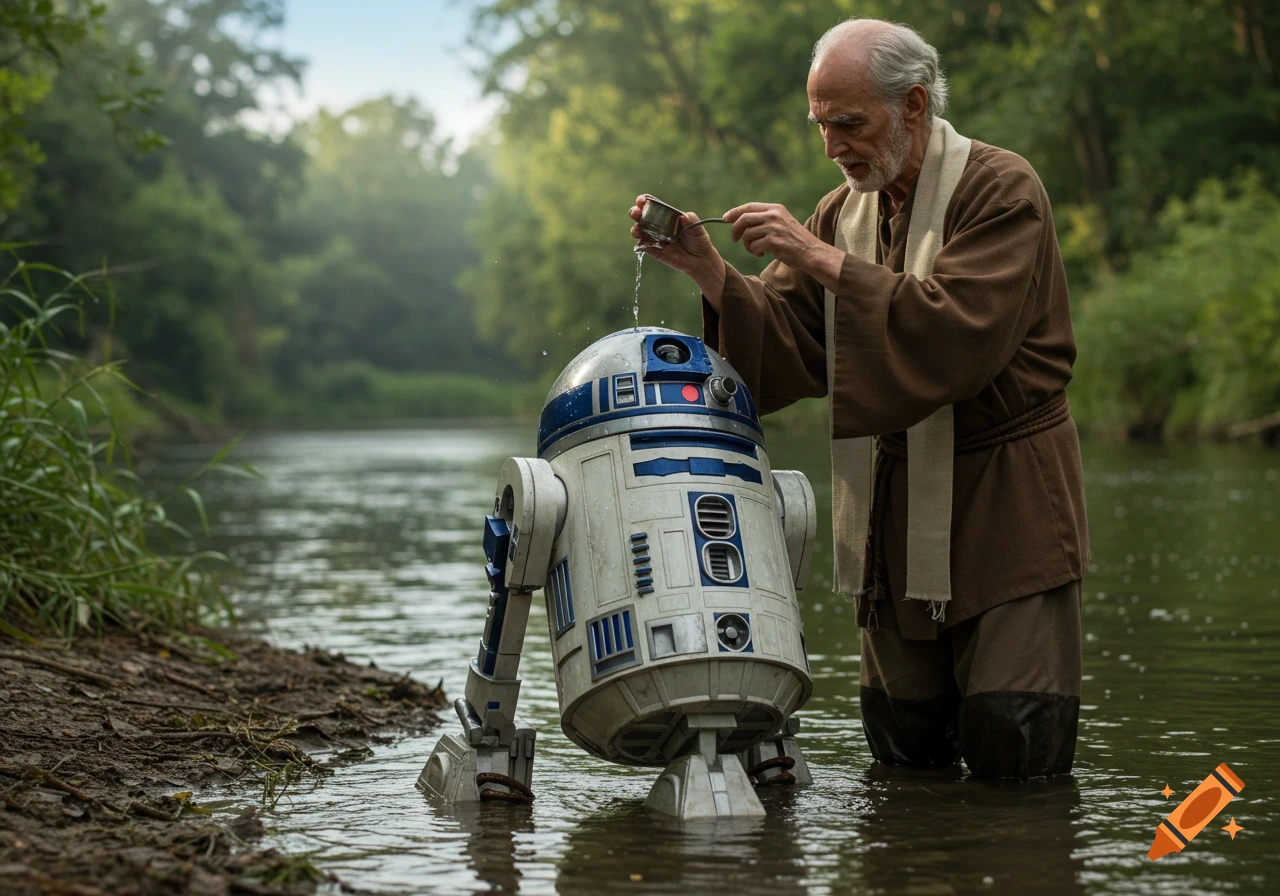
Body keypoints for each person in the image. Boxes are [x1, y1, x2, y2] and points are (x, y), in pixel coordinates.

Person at [629, 18, 1088, 780]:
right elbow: (792, 339)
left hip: (1009, 502)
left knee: (1016, 740)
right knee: (904, 744)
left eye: (850, 124)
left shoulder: (1002, 188)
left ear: (913, 105)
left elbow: (958, 333)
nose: (833, 147)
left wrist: (817, 257)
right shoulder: (843, 212)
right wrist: (710, 272)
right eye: (821, 126)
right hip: (896, 511)